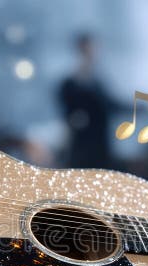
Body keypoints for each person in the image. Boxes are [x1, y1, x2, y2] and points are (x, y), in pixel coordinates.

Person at [57, 33, 118, 170]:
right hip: (82, 146)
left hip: (99, 144)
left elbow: (109, 105)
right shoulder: (71, 83)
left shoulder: (97, 81)